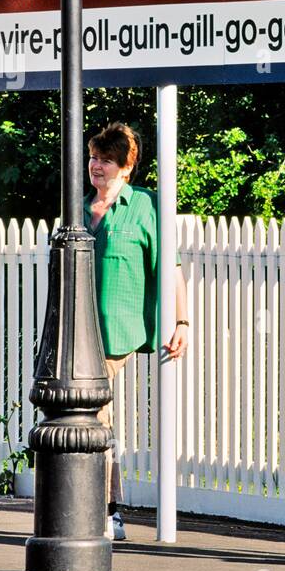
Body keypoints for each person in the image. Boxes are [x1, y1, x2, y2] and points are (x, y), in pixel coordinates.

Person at [86, 122, 189, 541]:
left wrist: (181, 320)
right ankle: (100, 507)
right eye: (94, 156)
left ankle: (109, 511)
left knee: (95, 418)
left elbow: (171, 267)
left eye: (106, 160)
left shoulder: (145, 205)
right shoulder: (78, 208)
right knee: (91, 420)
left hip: (118, 332)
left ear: (126, 167)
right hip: (78, 330)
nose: (96, 166)